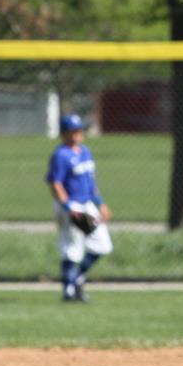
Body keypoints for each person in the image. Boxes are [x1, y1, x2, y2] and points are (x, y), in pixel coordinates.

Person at [46, 113, 112, 302]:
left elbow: (91, 182)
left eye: (79, 131)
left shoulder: (85, 152)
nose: (77, 134)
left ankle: (74, 280)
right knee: (73, 246)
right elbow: (55, 184)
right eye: (72, 131)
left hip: (87, 204)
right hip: (72, 206)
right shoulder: (61, 155)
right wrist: (68, 207)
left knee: (102, 245)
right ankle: (69, 289)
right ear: (64, 133)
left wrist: (101, 204)